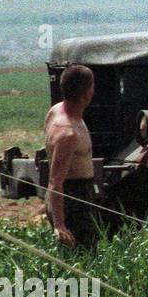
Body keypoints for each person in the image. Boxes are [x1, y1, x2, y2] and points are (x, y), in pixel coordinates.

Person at [44, 64, 100, 250]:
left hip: (79, 195)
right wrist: (60, 224)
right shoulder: (68, 133)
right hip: (72, 199)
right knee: (85, 255)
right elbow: (55, 182)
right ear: (86, 94)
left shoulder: (56, 110)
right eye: (92, 86)